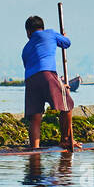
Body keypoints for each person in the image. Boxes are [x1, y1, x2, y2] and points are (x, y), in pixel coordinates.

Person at [21, 15, 75, 150]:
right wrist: (63, 36)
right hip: (47, 74)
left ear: (28, 32)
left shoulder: (25, 49)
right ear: (42, 28)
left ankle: (35, 148)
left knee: (35, 117)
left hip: (30, 79)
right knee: (67, 106)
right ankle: (66, 140)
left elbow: (28, 67)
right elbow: (67, 43)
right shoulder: (50, 33)